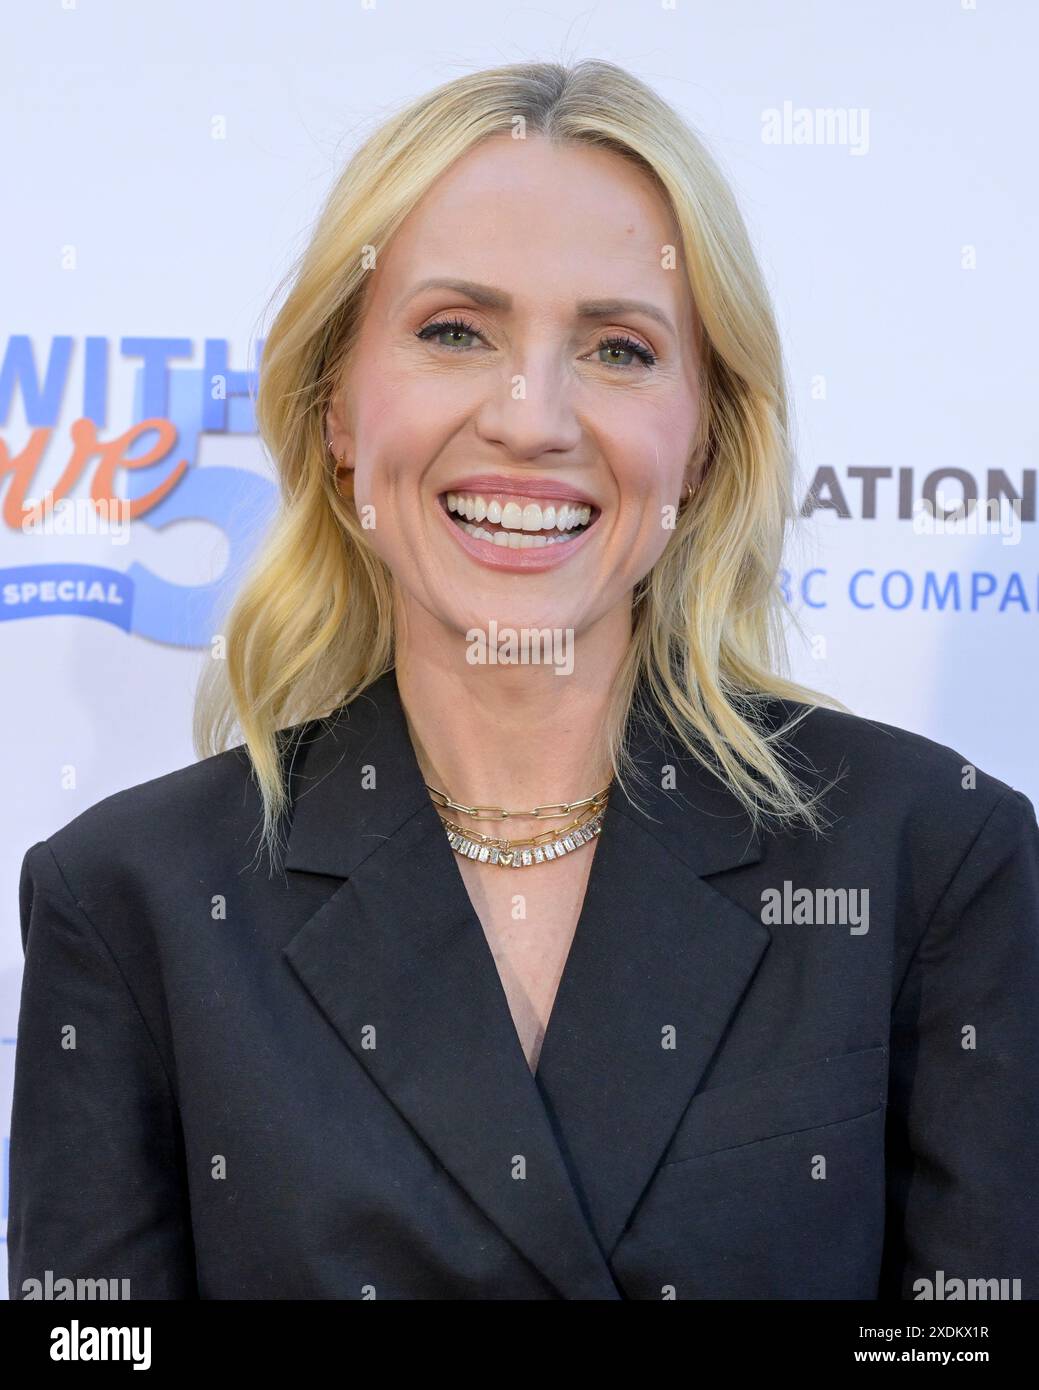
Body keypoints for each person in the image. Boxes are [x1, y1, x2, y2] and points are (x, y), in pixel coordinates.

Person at [9, 59, 1039, 1301]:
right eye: (455, 331)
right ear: (338, 407)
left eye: (617, 347)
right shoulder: (135, 900)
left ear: (706, 437)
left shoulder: (932, 853)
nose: (532, 416)